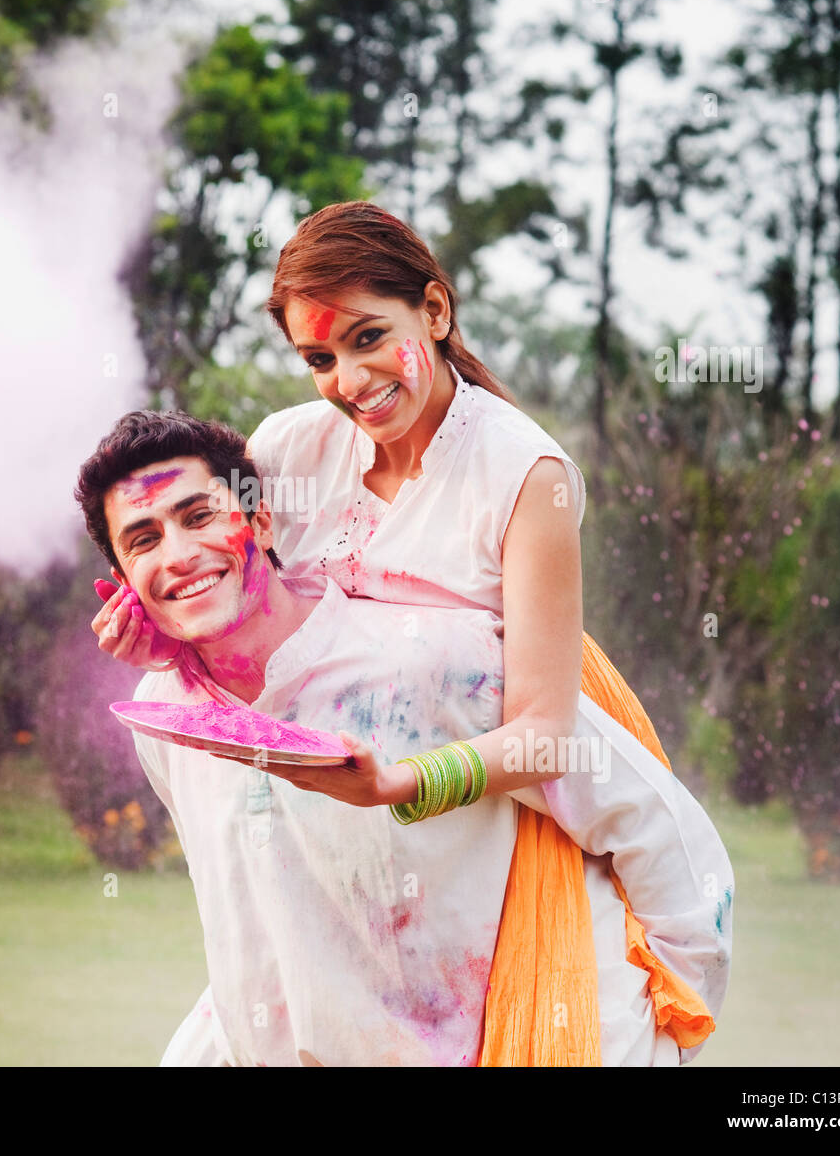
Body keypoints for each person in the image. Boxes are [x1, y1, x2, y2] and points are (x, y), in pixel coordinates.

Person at [92, 201, 735, 1067]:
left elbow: (544, 734)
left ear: (435, 311)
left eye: (368, 337)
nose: (350, 378)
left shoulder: (523, 473)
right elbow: (217, 565)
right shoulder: (290, 447)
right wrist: (164, 639)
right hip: (347, 861)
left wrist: (399, 782)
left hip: (499, 760)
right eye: (319, 357)